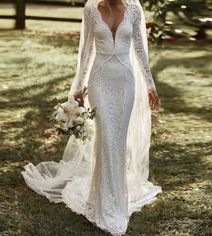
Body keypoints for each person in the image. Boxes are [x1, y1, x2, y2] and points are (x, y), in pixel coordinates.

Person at [21, 0, 162, 235]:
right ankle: (105, 203)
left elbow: (139, 50)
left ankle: (116, 196)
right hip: (99, 83)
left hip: (126, 83)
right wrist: (77, 88)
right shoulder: (91, 10)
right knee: (106, 137)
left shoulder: (135, 10)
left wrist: (150, 86)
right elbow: (86, 50)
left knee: (117, 140)